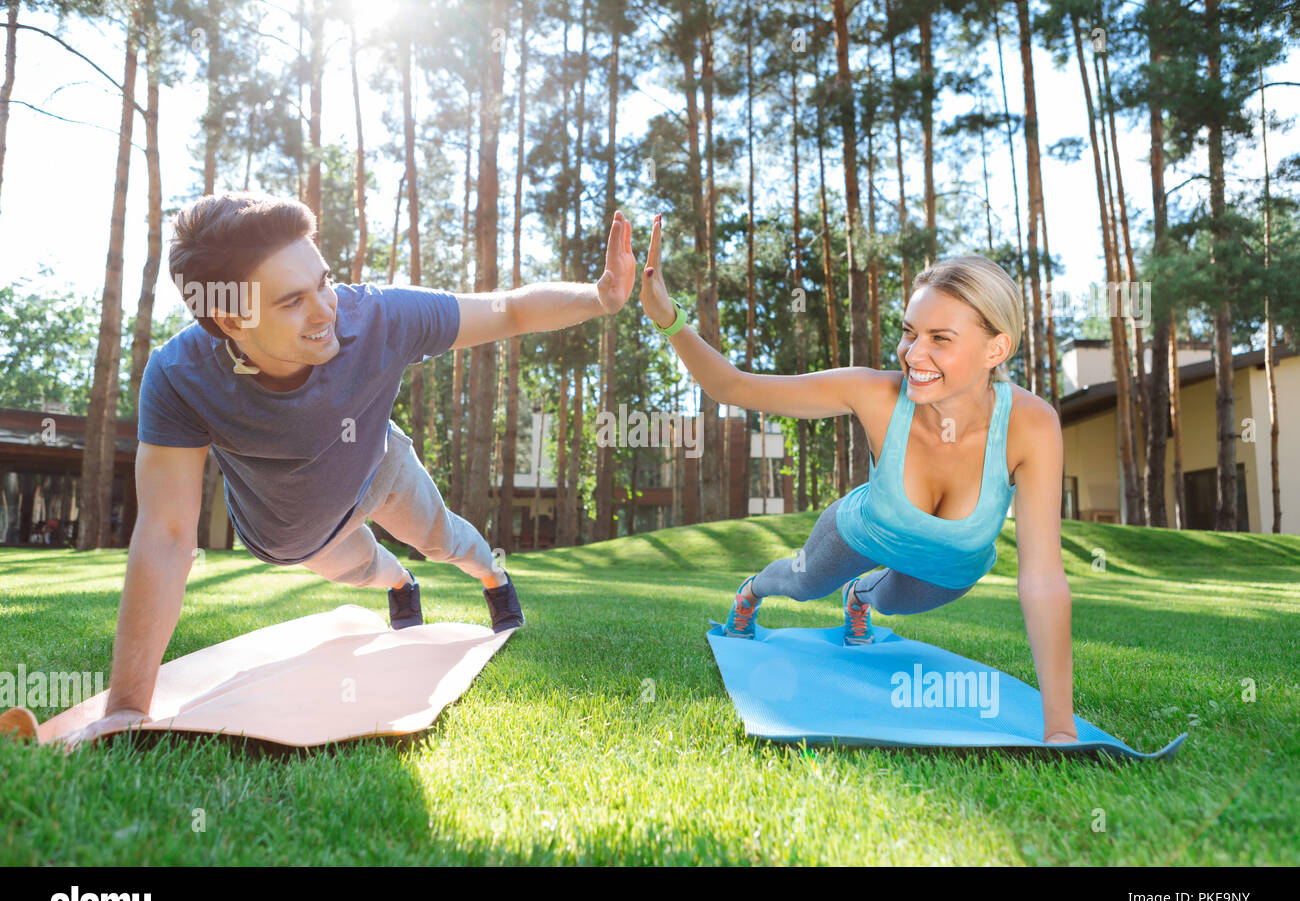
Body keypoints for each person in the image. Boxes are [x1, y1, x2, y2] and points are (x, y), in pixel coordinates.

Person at [60, 191, 638, 748]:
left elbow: (507, 309)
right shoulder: (179, 377)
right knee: (367, 570)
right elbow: (165, 534)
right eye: (293, 302)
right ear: (231, 321)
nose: (326, 310)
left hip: (380, 468)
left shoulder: (378, 315)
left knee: (443, 540)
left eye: (324, 281)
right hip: (294, 531)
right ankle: (401, 585)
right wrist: (129, 708)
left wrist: (601, 297)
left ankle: (493, 577)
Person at [638, 213, 1077, 744]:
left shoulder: (1032, 424)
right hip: (861, 533)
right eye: (910, 333)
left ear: (995, 349)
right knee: (803, 583)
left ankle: (860, 600)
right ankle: (752, 590)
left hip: (950, 570)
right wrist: (667, 317)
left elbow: (1043, 577)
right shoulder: (873, 393)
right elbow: (732, 386)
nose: (914, 355)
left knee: (885, 601)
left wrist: (1060, 728)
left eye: (941, 338)